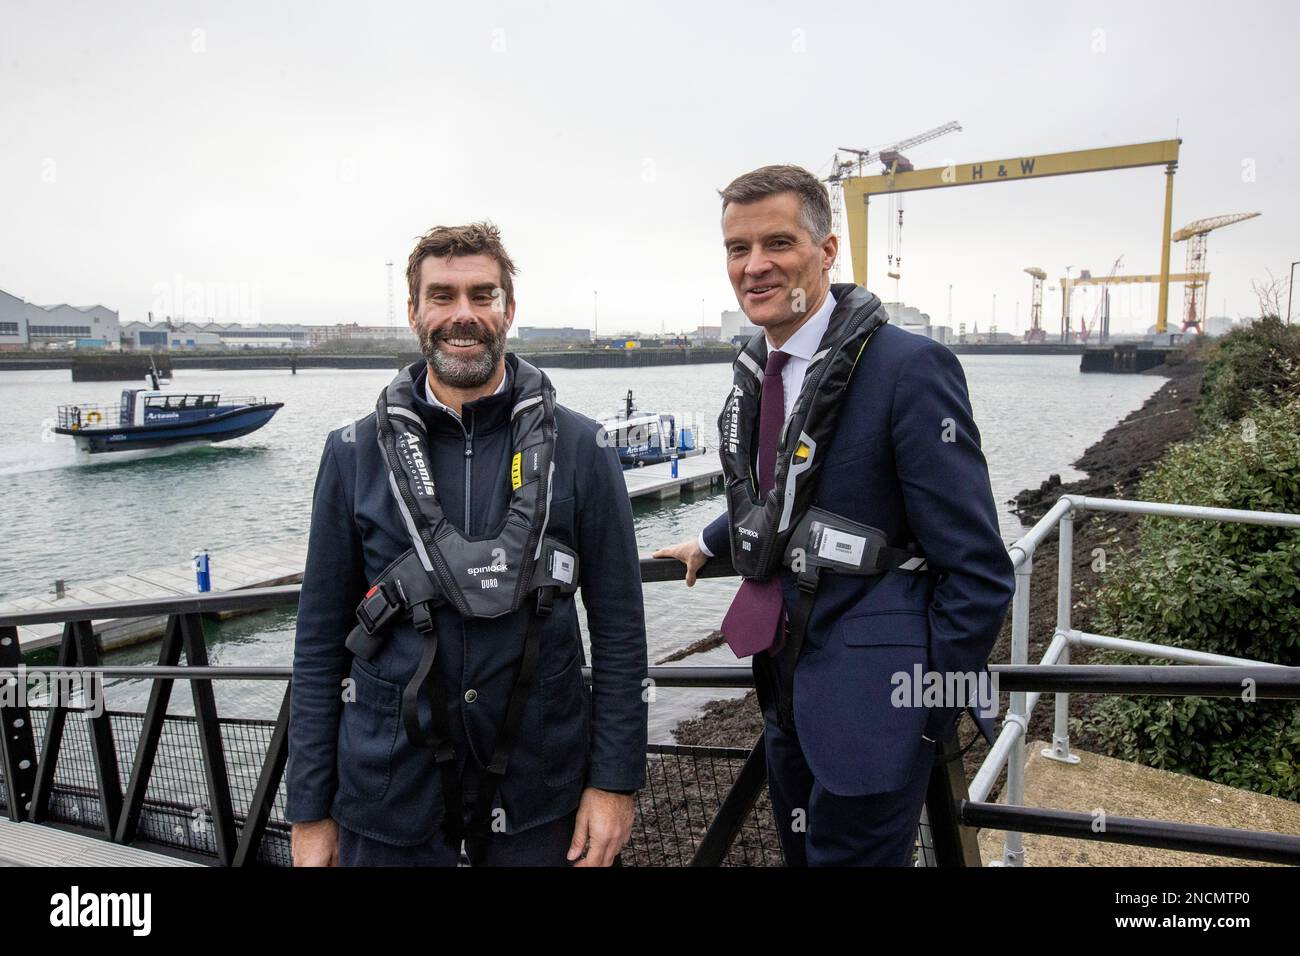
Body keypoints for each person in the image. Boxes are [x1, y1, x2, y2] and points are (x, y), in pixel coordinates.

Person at [654, 166, 1014, 866]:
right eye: (736, 248)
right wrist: (708, 539)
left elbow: (978, 569)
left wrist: (924, 711)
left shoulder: (909, 368)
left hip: (880, 705)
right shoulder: (762, 366)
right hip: (783, 687)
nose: (754, 266)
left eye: (777, 243)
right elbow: (786, 491)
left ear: (826, 251)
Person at [288, 222, 648, 867]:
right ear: (413, 312)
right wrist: (310, 811)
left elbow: (620, 629)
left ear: (510, 308)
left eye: (483, 295)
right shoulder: (350, 456)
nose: (463, 315)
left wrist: (615, 781)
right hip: (388, 798)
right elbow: (317, 645)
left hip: (544, 799)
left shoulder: (585, 450)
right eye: (442, 295)